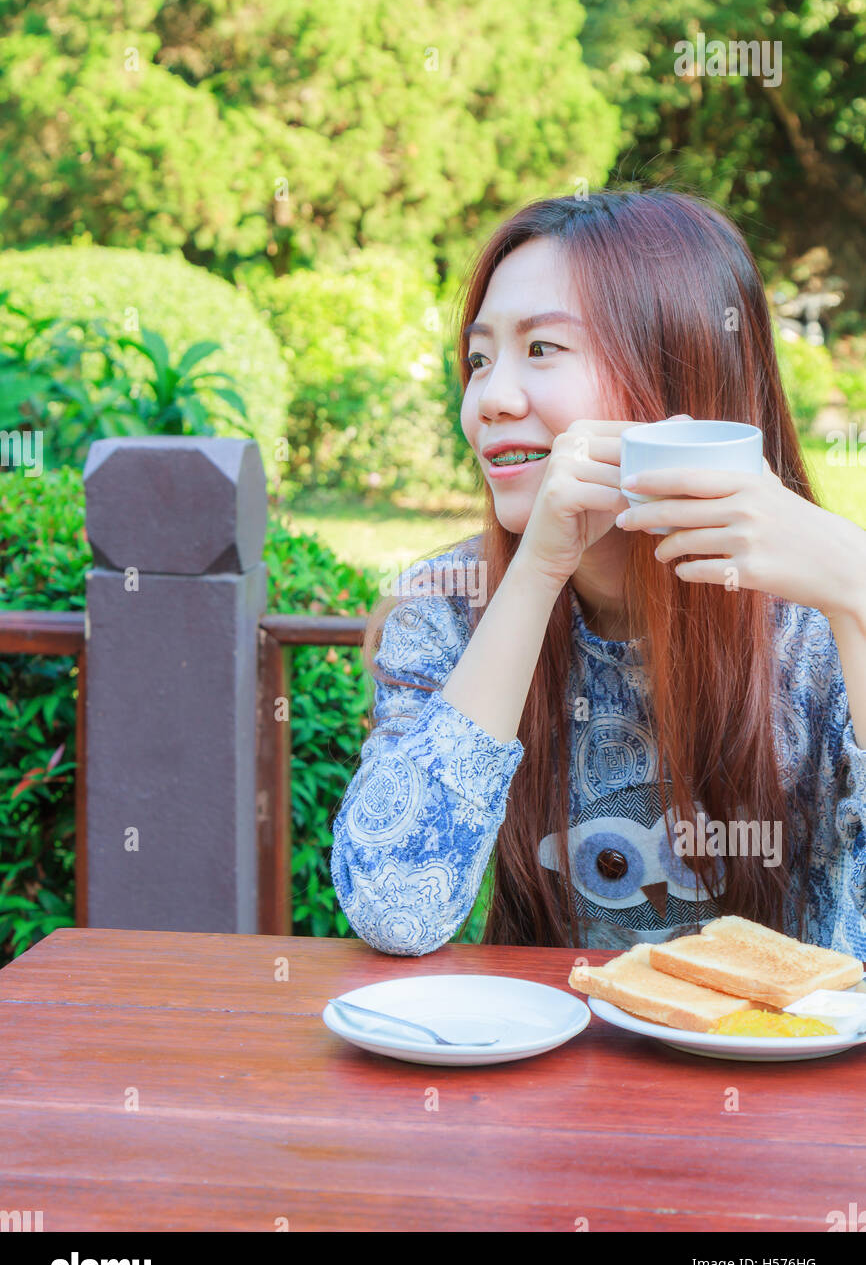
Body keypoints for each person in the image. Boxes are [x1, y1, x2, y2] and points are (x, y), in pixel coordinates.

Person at [330, 188, 866, 957]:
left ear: (681, 376)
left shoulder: (818, 614)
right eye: (479, 359)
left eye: (541, 349)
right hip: (544, 1062)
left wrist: (860, 596)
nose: (490, 398)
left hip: (786, 1067)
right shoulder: (448, 610)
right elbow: (392, 906)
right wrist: (536, 571)